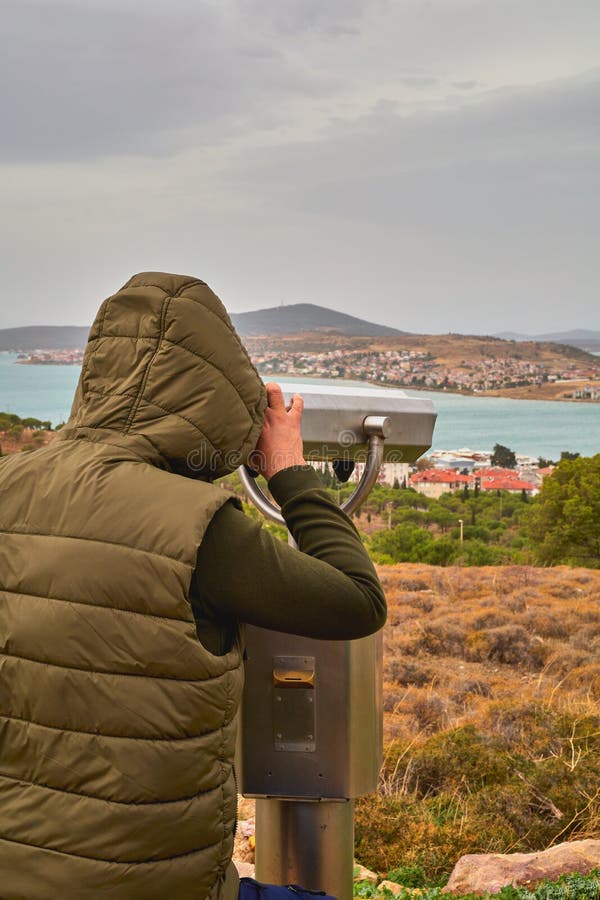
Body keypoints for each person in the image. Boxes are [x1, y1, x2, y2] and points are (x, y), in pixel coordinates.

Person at [0, 272, 386, 900]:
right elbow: (357, 600)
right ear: (212, 400)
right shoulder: (199, 528)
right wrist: (288, 471)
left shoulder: (10, 483)